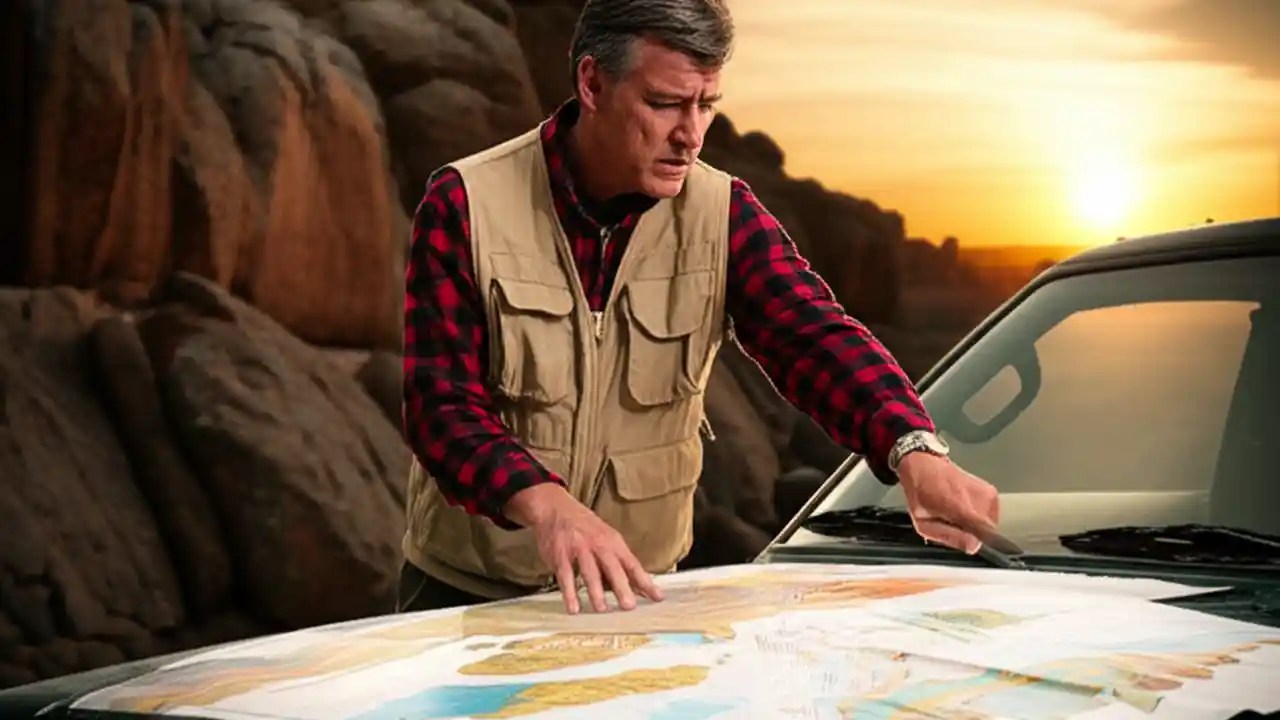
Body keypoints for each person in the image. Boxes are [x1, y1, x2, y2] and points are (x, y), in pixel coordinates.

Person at [399, 0, 1001, 616]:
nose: (690, 134)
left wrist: (912, 448)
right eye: (664, 104)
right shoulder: (466, 204)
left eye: (705, 105)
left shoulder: (723, 214)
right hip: (465, 600)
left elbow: (812, 334)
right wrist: (549, 508)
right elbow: (440, 407)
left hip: (640, 598)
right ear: (593, 83)